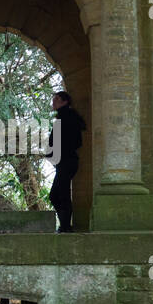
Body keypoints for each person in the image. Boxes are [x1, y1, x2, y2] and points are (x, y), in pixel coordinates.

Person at [49, 91, 86, 232]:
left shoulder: (68, 117)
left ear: (65, 102)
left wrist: (59, 152)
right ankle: (65, 225)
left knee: (59, 194)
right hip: (63, 162)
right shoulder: (62, 117)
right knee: (57, 195)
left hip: (67, 161)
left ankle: (65, 226)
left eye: (57, 99)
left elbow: (76, 142)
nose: (54, 102)